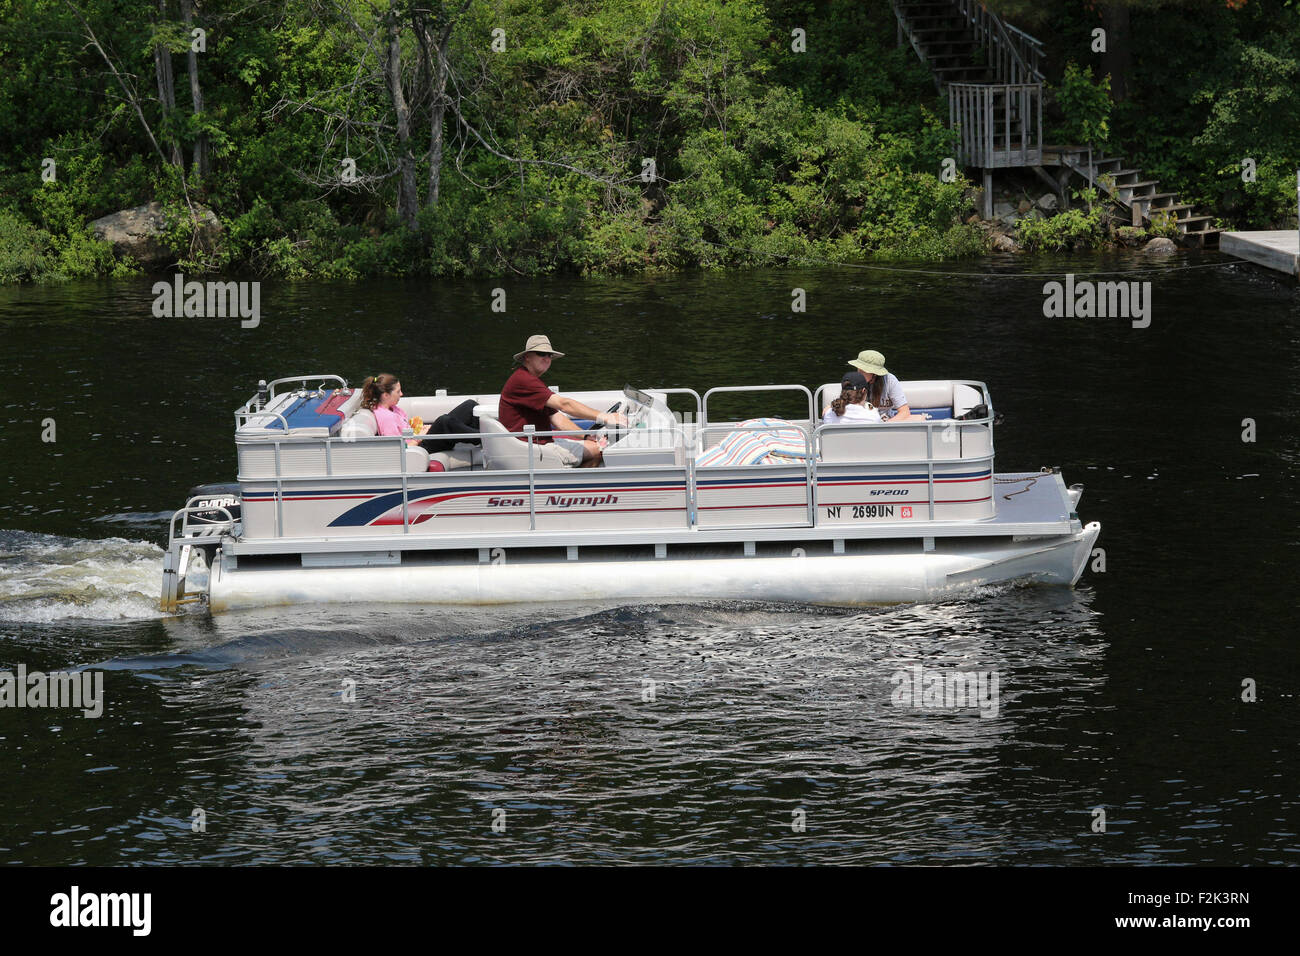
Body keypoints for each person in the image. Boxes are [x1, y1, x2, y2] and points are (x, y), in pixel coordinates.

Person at [499, 334, 627, 467]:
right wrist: (605, 417)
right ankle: (576, 487)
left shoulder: (531, 381)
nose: (547, 358)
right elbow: (564, 404)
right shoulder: (524, 381)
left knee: (593, 446)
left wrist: (585, 436)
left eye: (549, 355)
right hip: (530, 447)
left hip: (535, 443)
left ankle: (574, 484)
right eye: (541, 353)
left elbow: (557, 419)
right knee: (598, 450)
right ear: (527, 357)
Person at [846, 349, 928, 422]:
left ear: (874, 373)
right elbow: (842, 404)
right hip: (863, 421)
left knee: (920, 418)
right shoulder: (854, 379)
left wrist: (883, 427)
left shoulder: (890, 380)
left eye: (863, 371)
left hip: (886, 422)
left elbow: (904, 412)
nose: (858, 374)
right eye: (858, 369)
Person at [361, 374, 430, 444]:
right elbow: (399, 448)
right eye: (398, 391)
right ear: (386, 395)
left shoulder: (393, 408)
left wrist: (419, 431)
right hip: (416, 447)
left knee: (440, 423)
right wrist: (420, 437)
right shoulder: (387, 418)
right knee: (441, 421)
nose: (401, 394)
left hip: (416, 440)